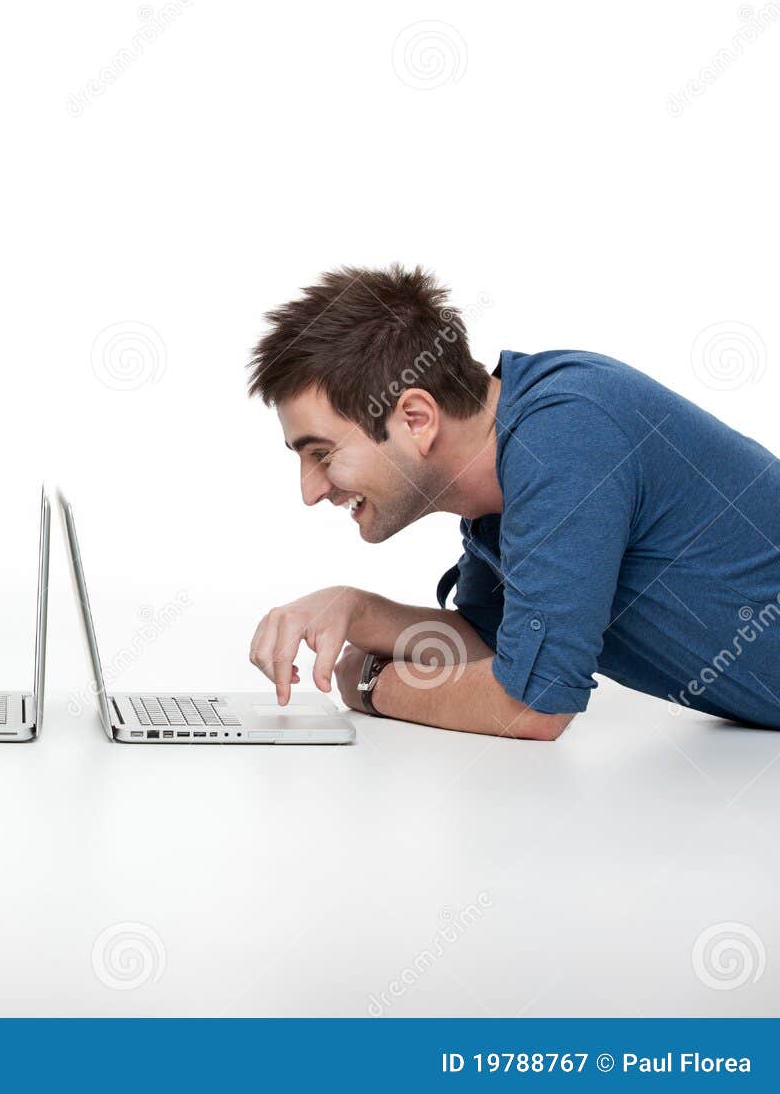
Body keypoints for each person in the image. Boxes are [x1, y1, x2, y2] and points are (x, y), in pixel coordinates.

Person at [246, 264, 780, 739]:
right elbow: (500, 646)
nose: (311, 491)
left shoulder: (567, 432)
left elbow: (532, 704)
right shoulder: (501, 488)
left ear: (416, 419)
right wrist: (358, 611)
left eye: (321, 453)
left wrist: (372, 683)